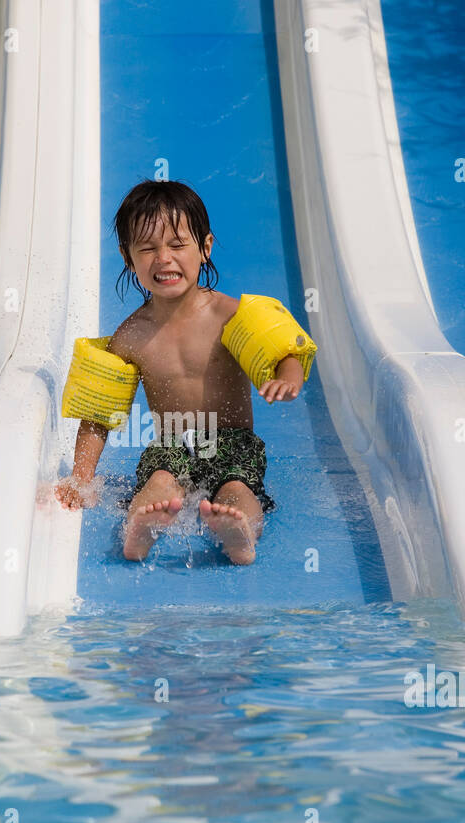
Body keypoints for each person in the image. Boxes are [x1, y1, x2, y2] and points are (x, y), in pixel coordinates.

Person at [54, 180, 309, 566]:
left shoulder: (230, 316)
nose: (163, 258)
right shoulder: (132, 336)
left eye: (177, 245)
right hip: (172, 445)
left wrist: (289, 379)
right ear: (128, 257)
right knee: (158, 482)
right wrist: (82, 476)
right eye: (147, 248)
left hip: (232, 442)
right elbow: (98, 413)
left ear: (204, 248)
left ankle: (239, 531)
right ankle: (142, 526)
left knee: (237, 488)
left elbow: (286, 349)